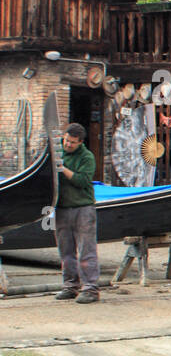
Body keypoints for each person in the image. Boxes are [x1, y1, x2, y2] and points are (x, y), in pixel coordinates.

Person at [54, 122, 99, 304]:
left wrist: (62, 169)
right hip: (62, 208)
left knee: (86, 250)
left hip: (83, 209)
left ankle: (90, 289)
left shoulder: (87, 157)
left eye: (72, 142)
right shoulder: (58, 152)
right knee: (65, 250)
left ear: (80, 142)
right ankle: (70, 286)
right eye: (66, 141)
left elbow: (82, 181)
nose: (68, 145)